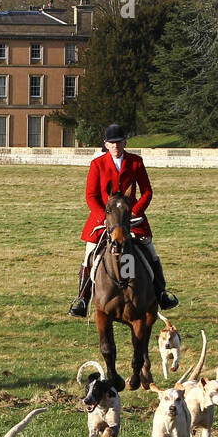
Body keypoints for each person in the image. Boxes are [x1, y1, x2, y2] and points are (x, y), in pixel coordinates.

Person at [68, 124, 177, 317]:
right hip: (104, 219)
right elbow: (91, 196)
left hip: (132, 218)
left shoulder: (135, 162)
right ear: (106, 145)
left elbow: (147, 192)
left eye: (119, 142)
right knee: (88, 256)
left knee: (151, 252)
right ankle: (82, 300)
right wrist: (104, 217)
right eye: (112, 143)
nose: (116, 146)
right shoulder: (97, 164)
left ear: (124, 142)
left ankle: (162, 294)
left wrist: (135, 212)